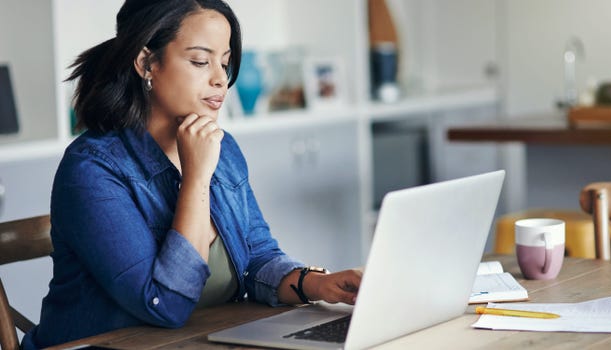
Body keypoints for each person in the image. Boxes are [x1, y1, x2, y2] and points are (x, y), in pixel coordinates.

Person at [22, 1, 361, 348]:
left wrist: (318, 283)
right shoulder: (92, 169)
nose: (219, 79)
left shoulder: (220, 147)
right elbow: (163, 304)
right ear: (146, 63)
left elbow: (258, 259)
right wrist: (196, 179)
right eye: (200, 61)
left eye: (225, 62)